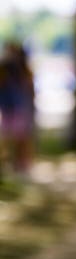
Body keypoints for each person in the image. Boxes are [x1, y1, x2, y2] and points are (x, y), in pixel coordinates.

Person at [0, 42, 35, 176]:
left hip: (19, 106)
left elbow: (28, 85)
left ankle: (21, 163)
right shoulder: (4, 67)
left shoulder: (22, 68)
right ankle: (8, 162)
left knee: (21, 137)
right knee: (7, 136)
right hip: (8, 106)